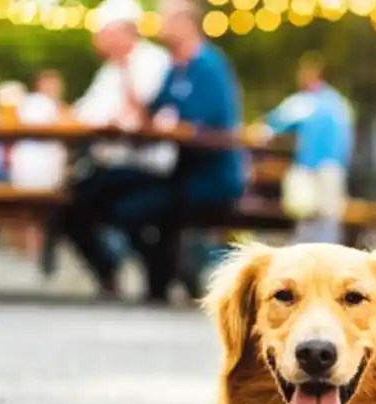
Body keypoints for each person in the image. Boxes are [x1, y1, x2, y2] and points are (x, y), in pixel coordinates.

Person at [63, 0, 245, 300]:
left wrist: (168, 127)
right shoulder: (176, 67)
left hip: (209, 178)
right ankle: (161, 279)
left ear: (186, 23)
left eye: (165, 19)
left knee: (133, 207)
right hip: (180, 172)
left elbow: (208, 123)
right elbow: (151, 112)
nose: (157, 26)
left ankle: (163, 279)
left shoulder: (207, 65)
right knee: (105, 198)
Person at [62, 0, 175, 297]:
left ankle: (142, 276)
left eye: (102, 33)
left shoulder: (154, 61)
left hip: (145, 164)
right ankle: (113, 270)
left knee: (80, 205)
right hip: (113, 163)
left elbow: (142, 116)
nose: (97, 41)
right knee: (69, 206)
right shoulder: (110, 69)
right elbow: (86, 112)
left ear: (123, 31)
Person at [250, 52, 354, 245]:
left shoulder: (306, 102)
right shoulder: (339, 104)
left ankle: (312, 253)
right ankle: (324, 253)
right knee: (323, 215)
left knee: (312, 214)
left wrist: (259, 131)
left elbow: (273, 124)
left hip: (314, 165)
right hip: (329, 166)